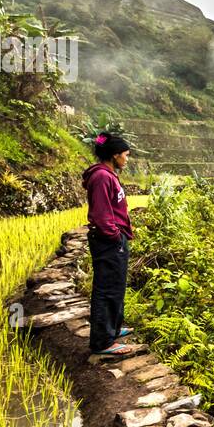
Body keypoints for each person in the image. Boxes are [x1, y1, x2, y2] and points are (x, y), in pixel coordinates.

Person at [83, 132, 137, 356]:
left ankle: (113, 329)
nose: (127, 159)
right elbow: (101, 214)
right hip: (109, 241)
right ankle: (103, 342)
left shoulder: (108, 175)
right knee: (106, 289)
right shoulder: (102, 177)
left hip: (114, 240)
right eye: (125, 155)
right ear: (115, 155)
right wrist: (115, 236)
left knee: (116, 287)